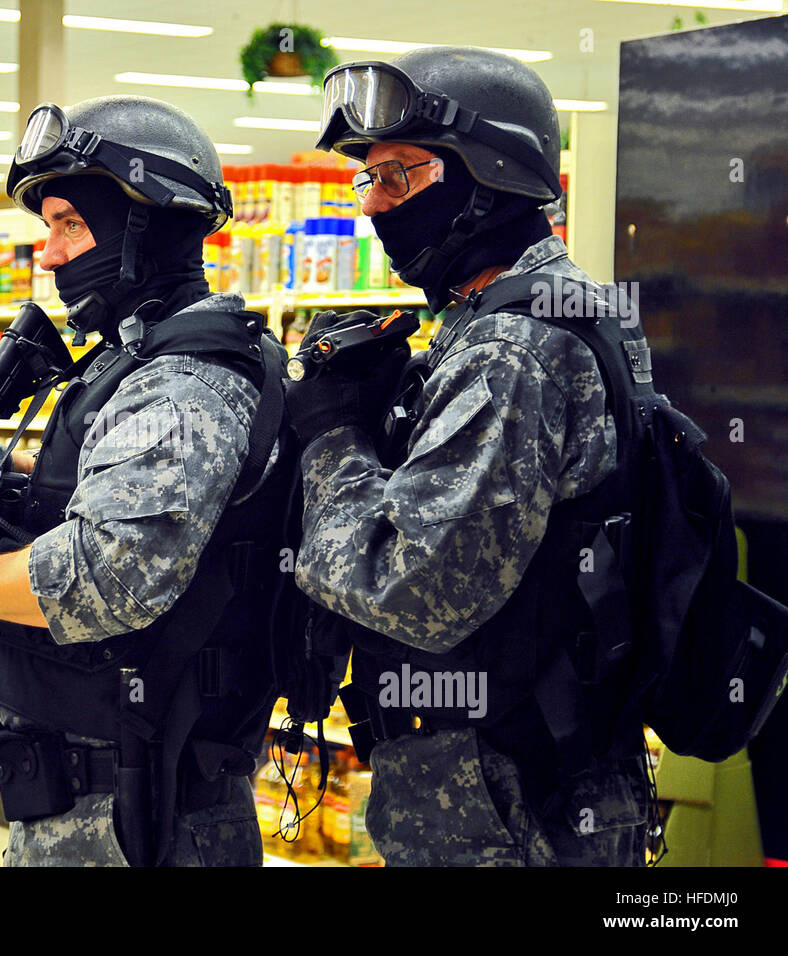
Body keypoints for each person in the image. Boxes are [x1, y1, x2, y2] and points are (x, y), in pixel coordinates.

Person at [0, 95, 291, 866]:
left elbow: (108, 575)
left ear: (146, 221)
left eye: (70, 223)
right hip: (100, 799)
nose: (50, 253)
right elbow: (108, 479)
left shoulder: (184, 381)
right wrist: (3, 479)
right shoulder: (136, 359)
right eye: (49, 228)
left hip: (141, 812)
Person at [287, 47, 651, 866]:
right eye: (367, 181)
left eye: (401, 177)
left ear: (489, 174)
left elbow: (408, 589)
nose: (376, 206)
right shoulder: (563, 306)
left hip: (503, 801)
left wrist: (333, 434)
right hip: (542, 774)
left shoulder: (510, 346)